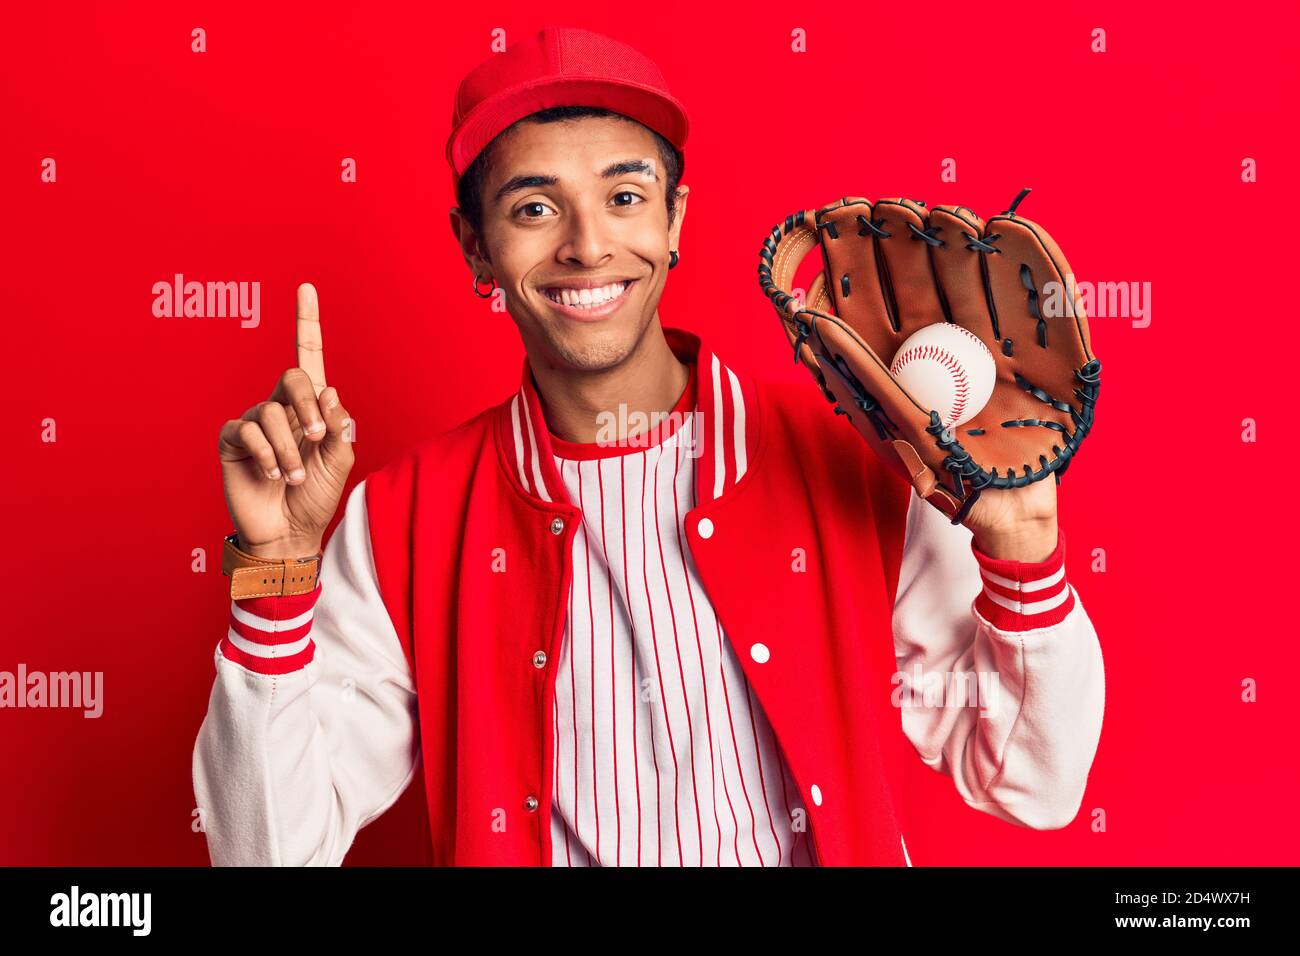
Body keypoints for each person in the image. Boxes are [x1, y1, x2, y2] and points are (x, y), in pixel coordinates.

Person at [192, 26, 1104, 867]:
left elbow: (1032, 779)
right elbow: (269, 849)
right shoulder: (404, 520)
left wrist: (1024, 548)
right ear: (475, 248)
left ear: (673, 222)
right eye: (535, 209)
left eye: (625, 197)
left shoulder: (859, 459)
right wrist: (274, 566)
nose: (590, 246)